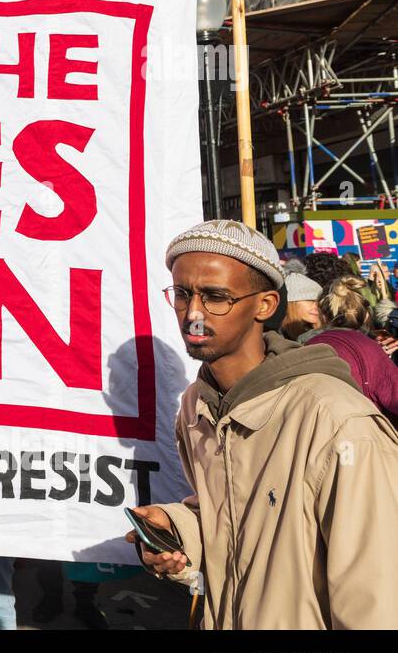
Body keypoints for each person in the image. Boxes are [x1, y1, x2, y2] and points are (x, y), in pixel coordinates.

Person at [128, 219, 398, 628]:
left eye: (216, 297)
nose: (194, 313)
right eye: (182, 294)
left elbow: (376, 595)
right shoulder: (195, 405)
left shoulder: (337, 420)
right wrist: (178, 529)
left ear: (266, 305)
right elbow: (237, 519)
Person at [300, 275, 398, 420]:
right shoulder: (370, 348)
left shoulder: (306, 345)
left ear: (323, 315)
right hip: (362, 433)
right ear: (365, 314)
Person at [278, 265, 322, 342]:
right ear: (291, 303)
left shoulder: (325, 335)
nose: (316, 306)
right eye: (309, 300)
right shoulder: (275, 338)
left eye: (318, 301)